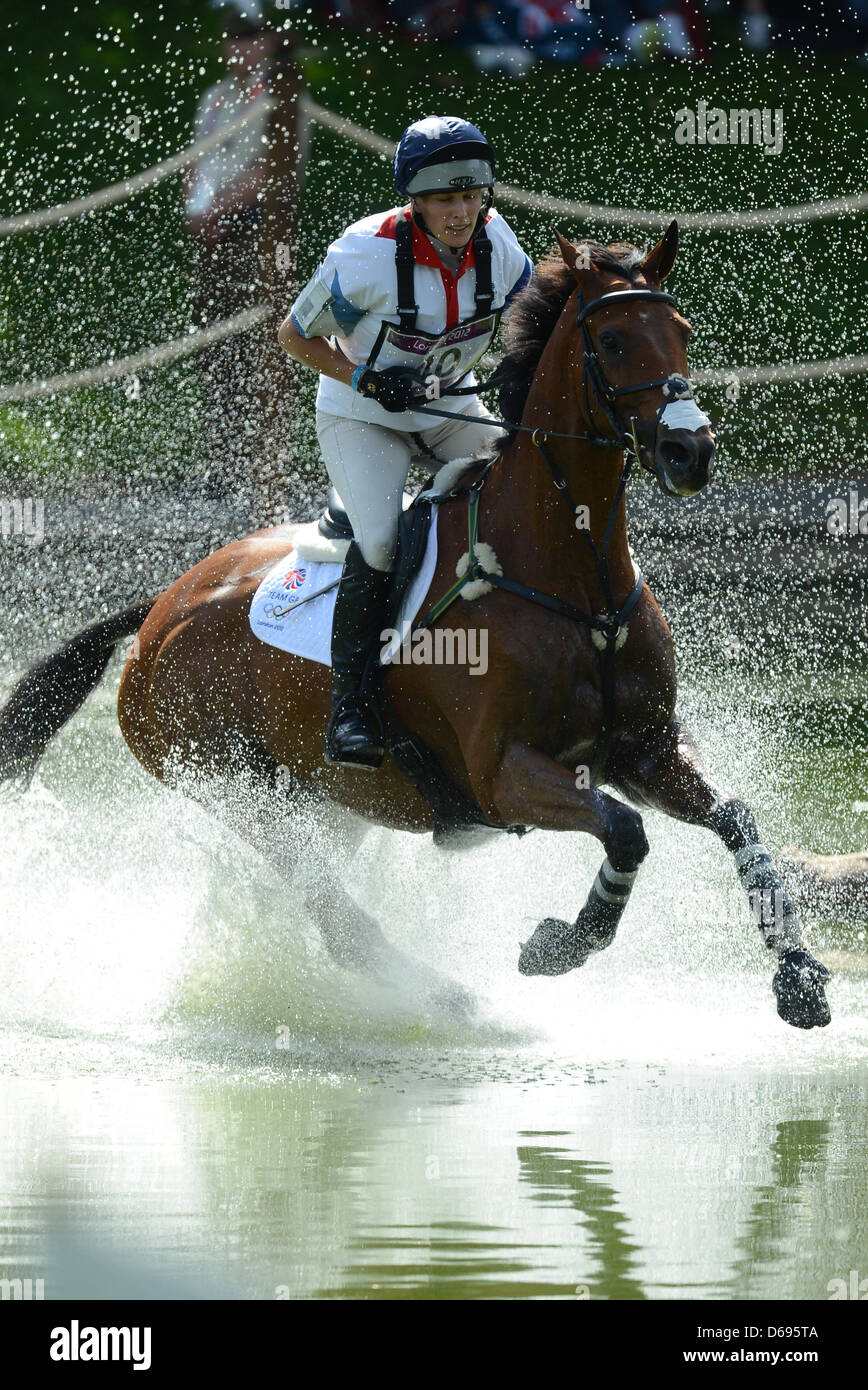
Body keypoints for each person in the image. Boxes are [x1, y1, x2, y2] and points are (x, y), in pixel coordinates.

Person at [278, 115, 533, 771]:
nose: (461, 214)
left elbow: (535, 332)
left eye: (471, 197)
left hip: (450, 409)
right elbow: (293, 337)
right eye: (445, 200)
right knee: (384, 538)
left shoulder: (501, 251)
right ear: (415, 202)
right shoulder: (364, 259)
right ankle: (351, 709)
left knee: (529, 492)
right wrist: (362, 375)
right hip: (364, 418)